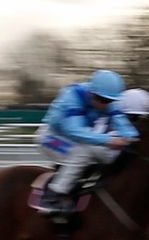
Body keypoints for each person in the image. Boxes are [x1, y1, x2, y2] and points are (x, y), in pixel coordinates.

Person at [35, 70, 139, 217]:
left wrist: (133, 138)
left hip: (75, 138)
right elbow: (75, 131)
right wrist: (109, 141)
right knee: (80, 152)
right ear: (91, 93)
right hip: (49, 137)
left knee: (103, 154)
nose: (105, 105)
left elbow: (121, 122)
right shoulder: (71, 97)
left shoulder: (109, 100)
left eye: (109, 101)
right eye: (102, 100)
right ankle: (52, 196)